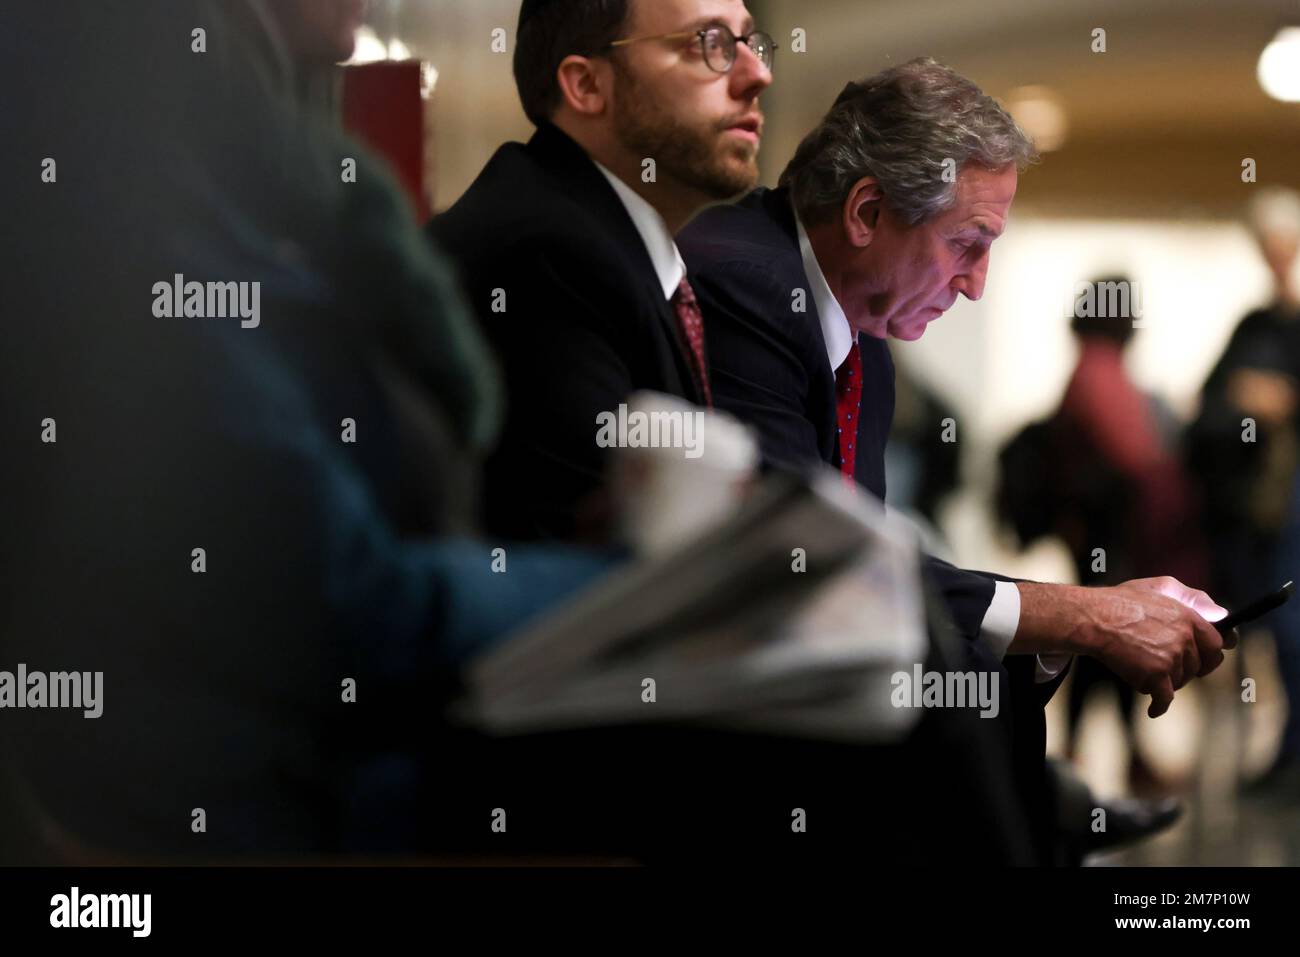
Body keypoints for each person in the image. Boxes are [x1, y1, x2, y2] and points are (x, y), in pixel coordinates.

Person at [678, 58, 1232, 857]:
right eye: (968, 244)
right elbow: (812, 564)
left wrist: (1080, 620)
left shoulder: (863, 340)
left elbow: (869, 574)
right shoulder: (749, 284)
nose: (975, 284)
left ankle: (1043, 806)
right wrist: (1091, 614)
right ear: (867, 210)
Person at [428, 0, 774, 542]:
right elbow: (600, 577)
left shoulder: (609, 239)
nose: (758, 74)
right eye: (709, 45)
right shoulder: (547, 255)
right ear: (587, 86)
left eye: (749, 43)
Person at [1189, 188, 1300, 800]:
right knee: (1261, 630)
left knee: (1290, 633)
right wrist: (1245, 402)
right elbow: (1209, 408)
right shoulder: (1255, 325)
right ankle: (1277, 755)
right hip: (1253, 513)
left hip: (1288, 508)